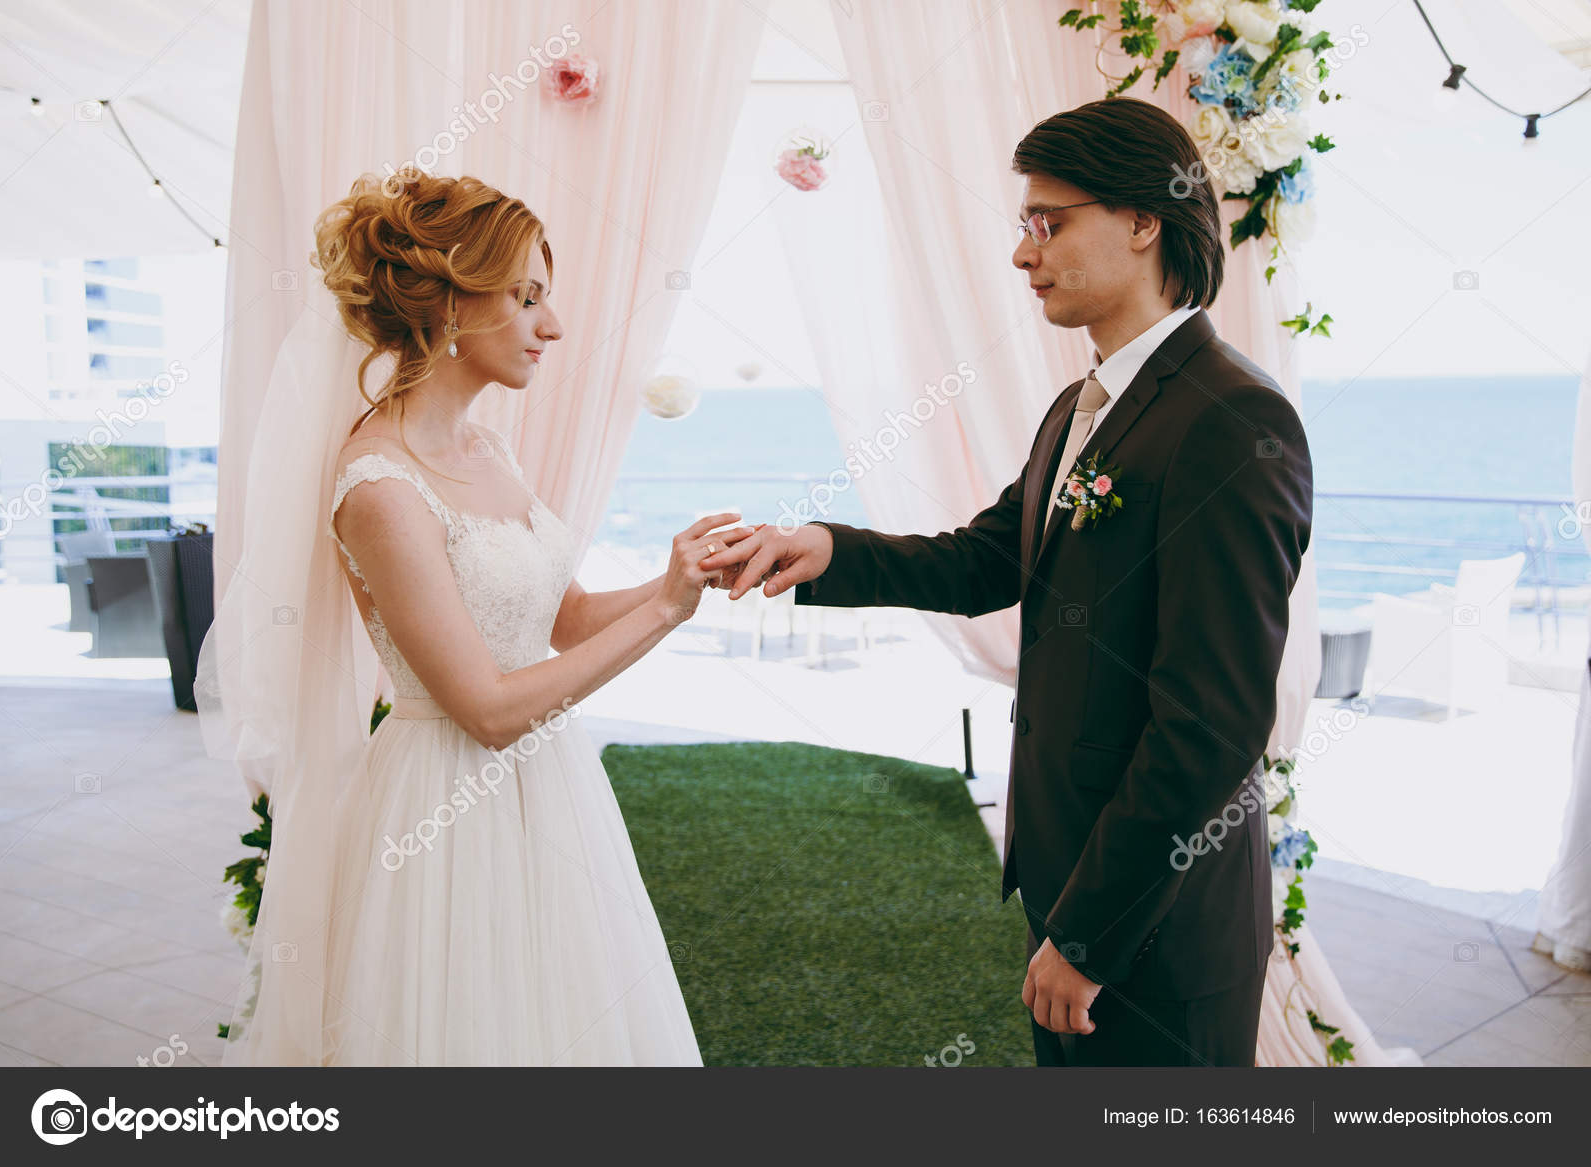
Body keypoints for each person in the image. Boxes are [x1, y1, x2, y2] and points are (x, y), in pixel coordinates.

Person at [702, 97, 1314, 1067]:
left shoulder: (1230, 420)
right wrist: (828, 546)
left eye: (1048, 222)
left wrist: (1089, 935)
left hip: (1154, 917)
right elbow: (990, 557)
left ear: (1144, 219)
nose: (1023, 254)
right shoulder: (1082, 404)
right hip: (1068, 877)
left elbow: (1212, 723)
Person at [197, 171, 749, 1065]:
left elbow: (563, 619)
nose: (554, 325)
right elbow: (487, 710)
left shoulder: (486, 447)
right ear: (450, 302)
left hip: (554, 786)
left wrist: (675, 578)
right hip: (444, 806)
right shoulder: (379, 486)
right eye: (526, 297)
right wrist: (665, 613)